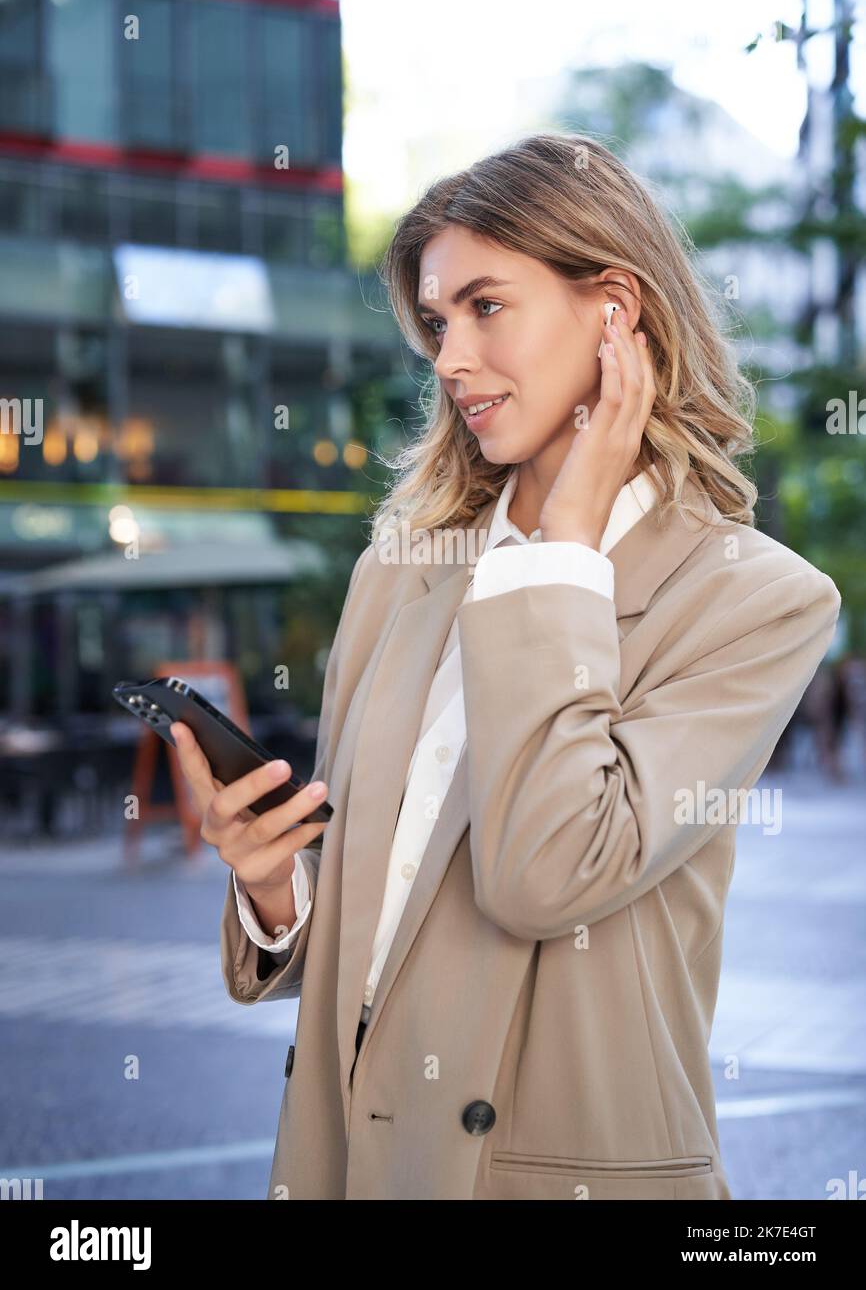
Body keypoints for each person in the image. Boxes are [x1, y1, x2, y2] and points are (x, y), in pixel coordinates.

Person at [171, 132, 841, 1201]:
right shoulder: (401, 571)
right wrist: (271, 886)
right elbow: (381, 912)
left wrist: (565, 544)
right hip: (349, 1162)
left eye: (486, 307)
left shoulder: (751, 600)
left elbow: (546, 874)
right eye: (437, 322)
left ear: (613, 309)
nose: (447, 357)